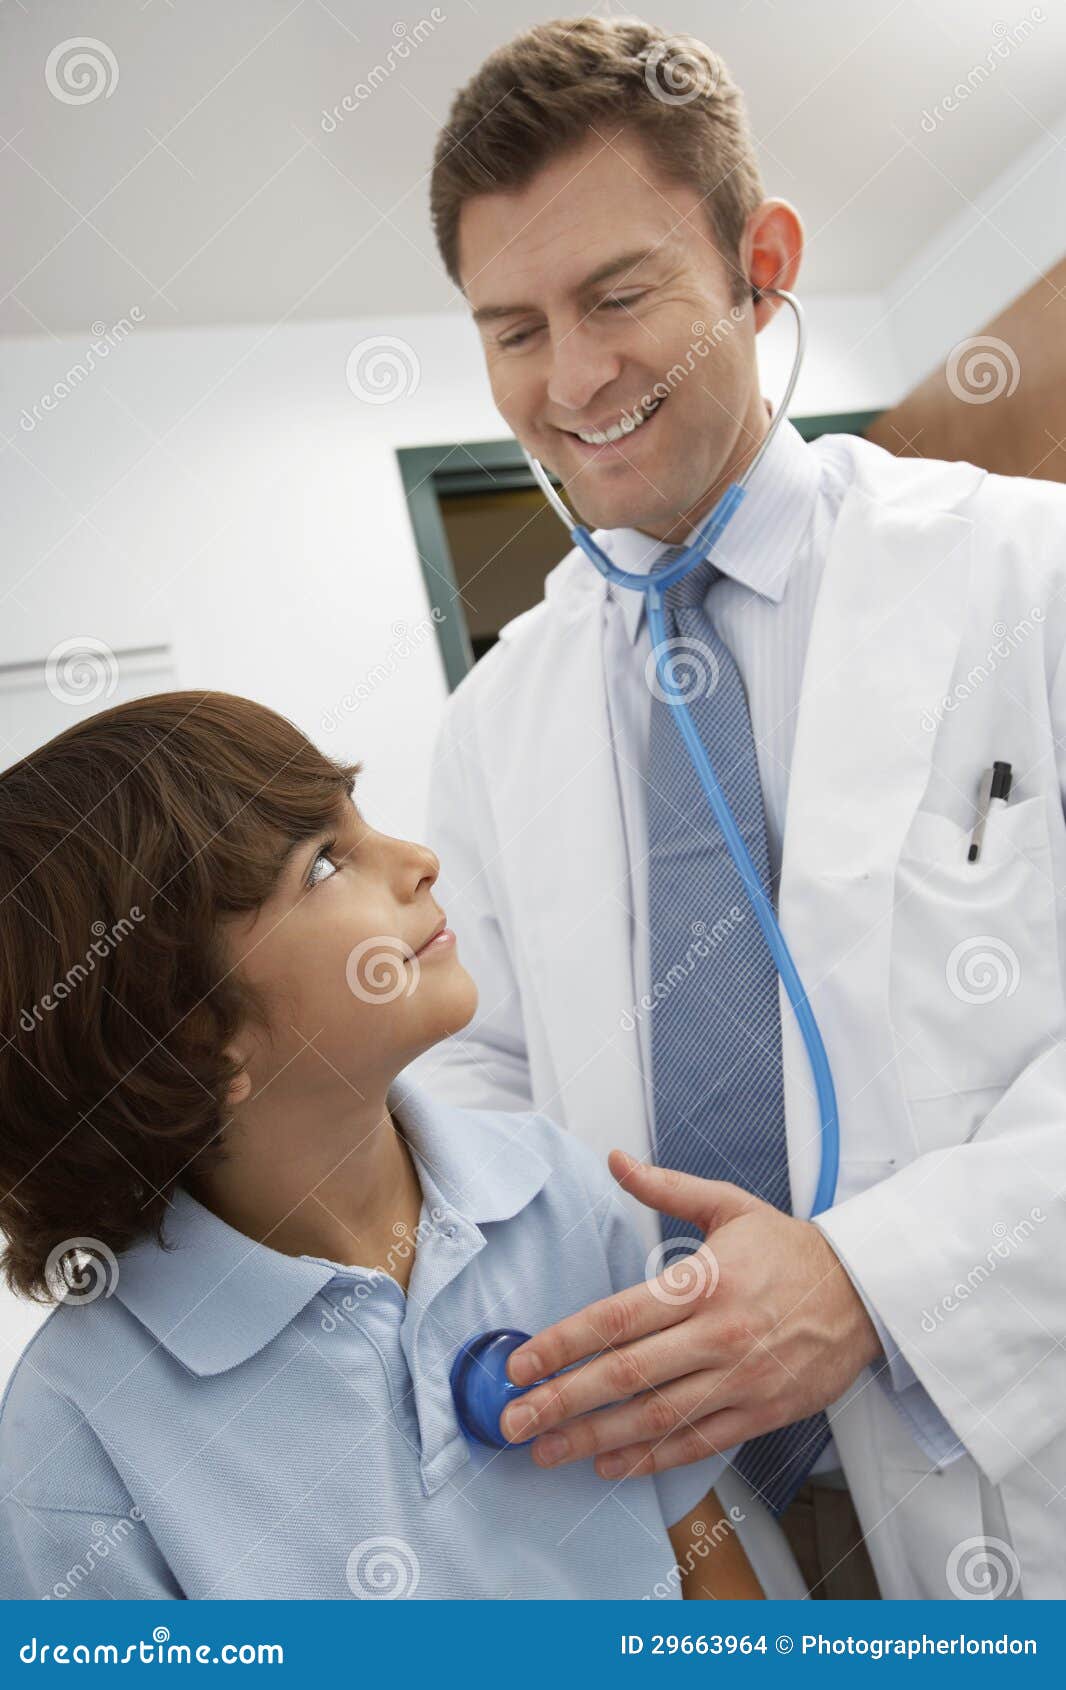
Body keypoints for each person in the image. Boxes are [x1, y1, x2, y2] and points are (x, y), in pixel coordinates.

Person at [409, 16, 1066, 1600]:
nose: (570, 380)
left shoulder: (1021, 571)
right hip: (700, 1522)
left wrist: (875, 1282)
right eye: (512, 329)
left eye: (617, 295)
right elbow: (478, 1084)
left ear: (758, 264)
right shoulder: (495, 723)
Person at [0, 690, 761, 1602]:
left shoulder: (556, 1196)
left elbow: (701, 1559)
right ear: (196, 1041)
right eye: (324, 867)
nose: (419, 862)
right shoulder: (75, 1433)